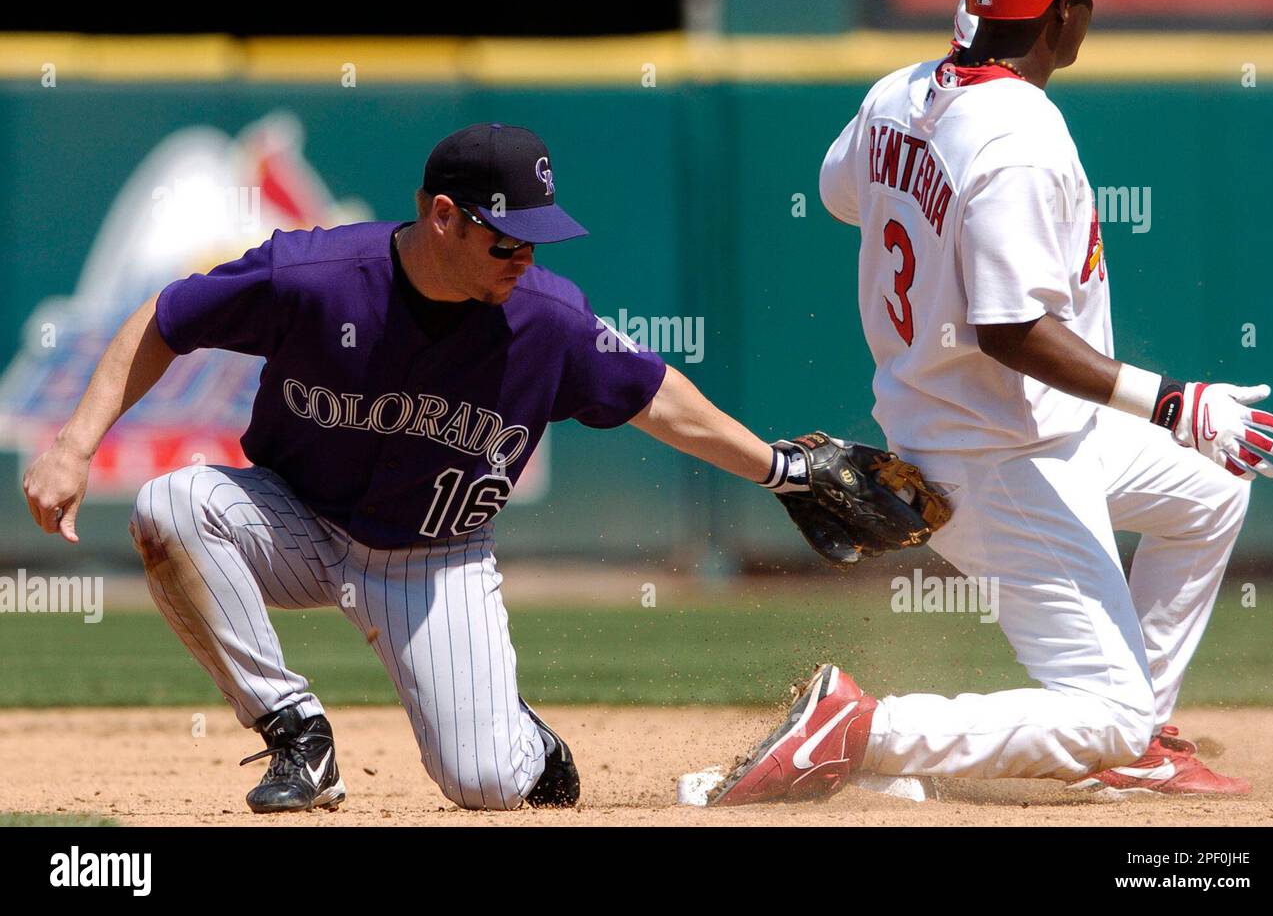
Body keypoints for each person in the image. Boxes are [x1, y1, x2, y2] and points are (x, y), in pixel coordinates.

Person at [22, 121, 821, 813]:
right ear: (443, 216)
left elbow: (661, 399)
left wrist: (782, 469)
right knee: (169, 505)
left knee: (487, 782)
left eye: (536, 237)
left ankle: (526, 742)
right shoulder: (315, 277)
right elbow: (166, 318)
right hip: (294, 519)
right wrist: (76, 444)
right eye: (506, 238)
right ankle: (296, 732)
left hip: (436, 563)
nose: (524, 255)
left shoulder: (547, 320)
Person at [709, 0, 1273, 806]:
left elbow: (838, 194)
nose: (1092, 9)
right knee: (1106, 708)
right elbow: (1011, 331)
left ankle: (1134, 744)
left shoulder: (900, 92)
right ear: (1063, 11)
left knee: (1208, 491)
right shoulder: (1019, 135)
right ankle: (868, 730)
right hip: (1000, 453)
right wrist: (1175, 400)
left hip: (1011, 423)